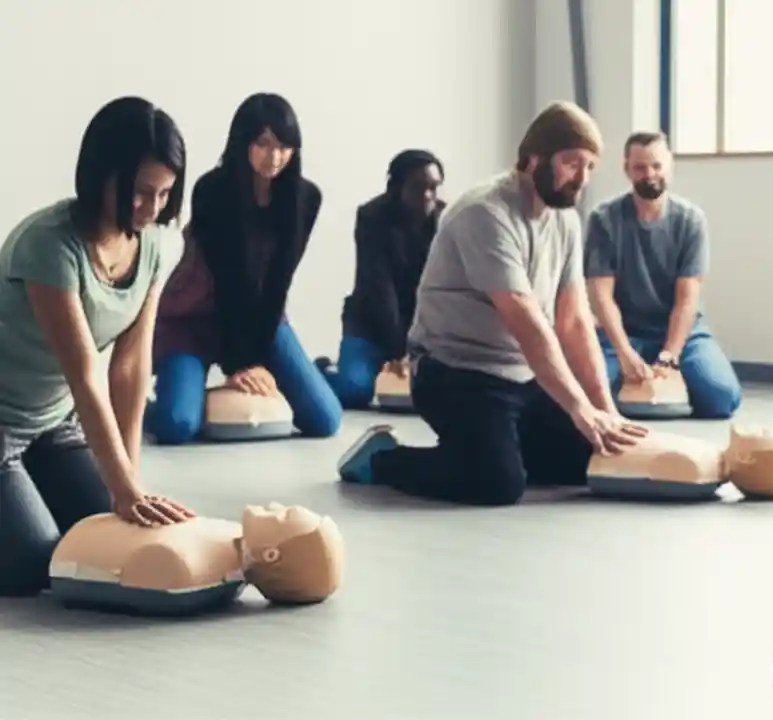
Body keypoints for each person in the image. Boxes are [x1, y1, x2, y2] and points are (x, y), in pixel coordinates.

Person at [335, 102, 647, 506]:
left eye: (590, 168)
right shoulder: (485, 213)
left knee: (592, 457)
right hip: (455, 371)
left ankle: (498, 447)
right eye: (572, 164)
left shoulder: (565, 220)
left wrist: (605, 412)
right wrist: (578, 409)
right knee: (497, 484)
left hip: (522, 375)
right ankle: (384, 459)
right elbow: (527, 321)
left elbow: (572, 322)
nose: (581, 179)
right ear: (533, 157)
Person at [0, 97, 196, 596]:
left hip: (54, 426)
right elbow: (85, 371)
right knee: (30, 563)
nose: (151, 209)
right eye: (138, 192)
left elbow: (130, 368)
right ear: (100, 176)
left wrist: (129, 485)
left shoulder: (152, 246)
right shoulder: (48, 243)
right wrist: (123, 490)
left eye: (164, 193)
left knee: (104, 539)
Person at [146, 93, 342, 444]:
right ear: (243, 142)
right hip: (196, 317)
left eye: (284, 146)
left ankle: (214, 396)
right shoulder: (212, 191)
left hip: (260, 317)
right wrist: (241, 365)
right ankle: (164, 402)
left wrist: (258, 356)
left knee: (324, 418)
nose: (274, 156)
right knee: (176, 426)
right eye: (263, 143)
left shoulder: (305, 198)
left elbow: (278, 283)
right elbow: (228, 280)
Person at [584, 131, 742, 419]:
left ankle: (674, 377)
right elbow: (601, 296)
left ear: (670, 166)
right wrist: (623, 352)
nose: (650, 174)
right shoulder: (603, 219)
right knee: (588, 396)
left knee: (722, 399)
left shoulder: (691, 220)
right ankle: (631, 375)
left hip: (684, 333)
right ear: (627, 170)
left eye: (657, 166)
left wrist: (670, 356)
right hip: (622, 332)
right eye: (640, 167)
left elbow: (687, 298)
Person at [315, 150, 446, 408]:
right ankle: (320, 371)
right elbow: (379, 288)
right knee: (354, 390)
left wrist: (417, 350)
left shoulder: (446, 220)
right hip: (369, 328)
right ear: (396, 187)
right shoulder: (371, 218)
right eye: (418, 187)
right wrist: (400, 351)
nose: (428, 196)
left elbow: (442, 291)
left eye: (434, 187)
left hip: (422, 335)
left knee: (436, 394)